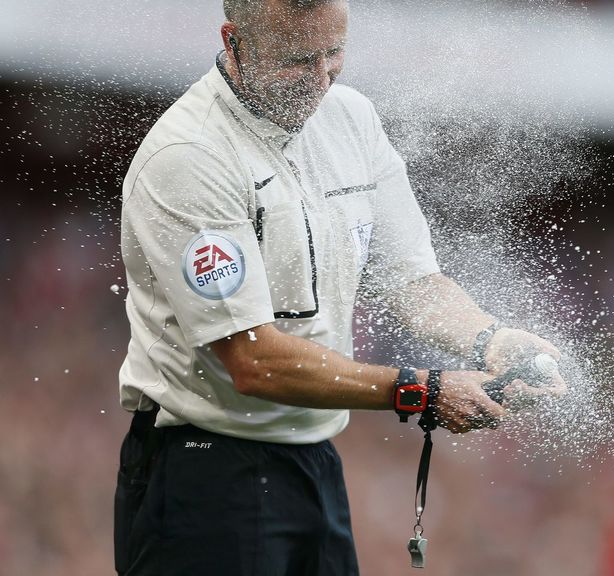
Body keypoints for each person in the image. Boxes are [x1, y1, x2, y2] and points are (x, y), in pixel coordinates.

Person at [114, 0, 566, 574]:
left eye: (335, 54)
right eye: (299, 60)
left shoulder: (352, 118)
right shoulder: (190, 155)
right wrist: (419, 390)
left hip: (314, 460)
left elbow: (412, 281)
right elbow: (253, 362)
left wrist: (490, 341)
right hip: (202, 468)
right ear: (235, 43)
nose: (321, 79)